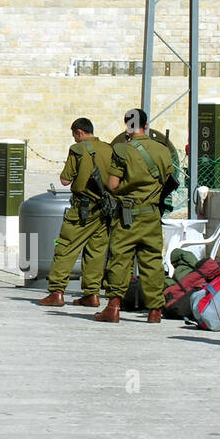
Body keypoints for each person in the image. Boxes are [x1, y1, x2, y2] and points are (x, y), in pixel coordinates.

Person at [94, 108, 174, 324]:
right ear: (146, 125)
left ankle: (113, 307)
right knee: (152, 261)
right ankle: (155, 310)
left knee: (120, 259)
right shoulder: (162, 150)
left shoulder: (122, 150)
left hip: (128, 216)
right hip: (152, 215)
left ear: (127, 126)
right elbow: (167, 179)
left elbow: (112, 184)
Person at [39, 117, 113, 308]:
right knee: (96, 252)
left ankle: (56, 292)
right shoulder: (109, 149)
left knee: (66, 247)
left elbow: (65, 180)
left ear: (79, 132)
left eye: (74, 136)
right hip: (103, 209)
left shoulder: (78, 149)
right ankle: (92, 294)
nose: (74, 139)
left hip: (82, 209)